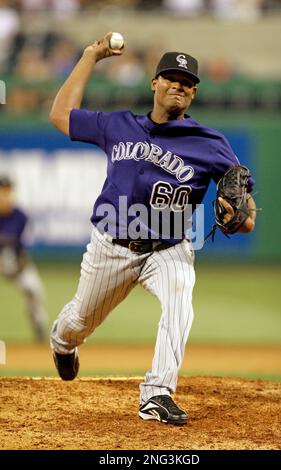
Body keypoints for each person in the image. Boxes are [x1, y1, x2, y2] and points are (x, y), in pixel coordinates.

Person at [49, 32, 257, 426]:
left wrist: (238, 217)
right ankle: (62, 343)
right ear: (155, 83)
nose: (180, 85)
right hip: (111, 245)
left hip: (169, 247)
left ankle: (157, 394)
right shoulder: (118, 125)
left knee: (181, 298)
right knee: (78, 322)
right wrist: (90, 57)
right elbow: (60, 115)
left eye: (188, 82)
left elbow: (246, 217)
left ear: (193, 95)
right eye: (172, 77)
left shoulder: (211, 143)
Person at [0, 176, 48, 341]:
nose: (4, 196)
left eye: (7, 192)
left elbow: (23, 248)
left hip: (15, 263)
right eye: (1, 192)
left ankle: (39, 328)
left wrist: (20, 264)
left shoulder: (21, 217)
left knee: (34, 288)